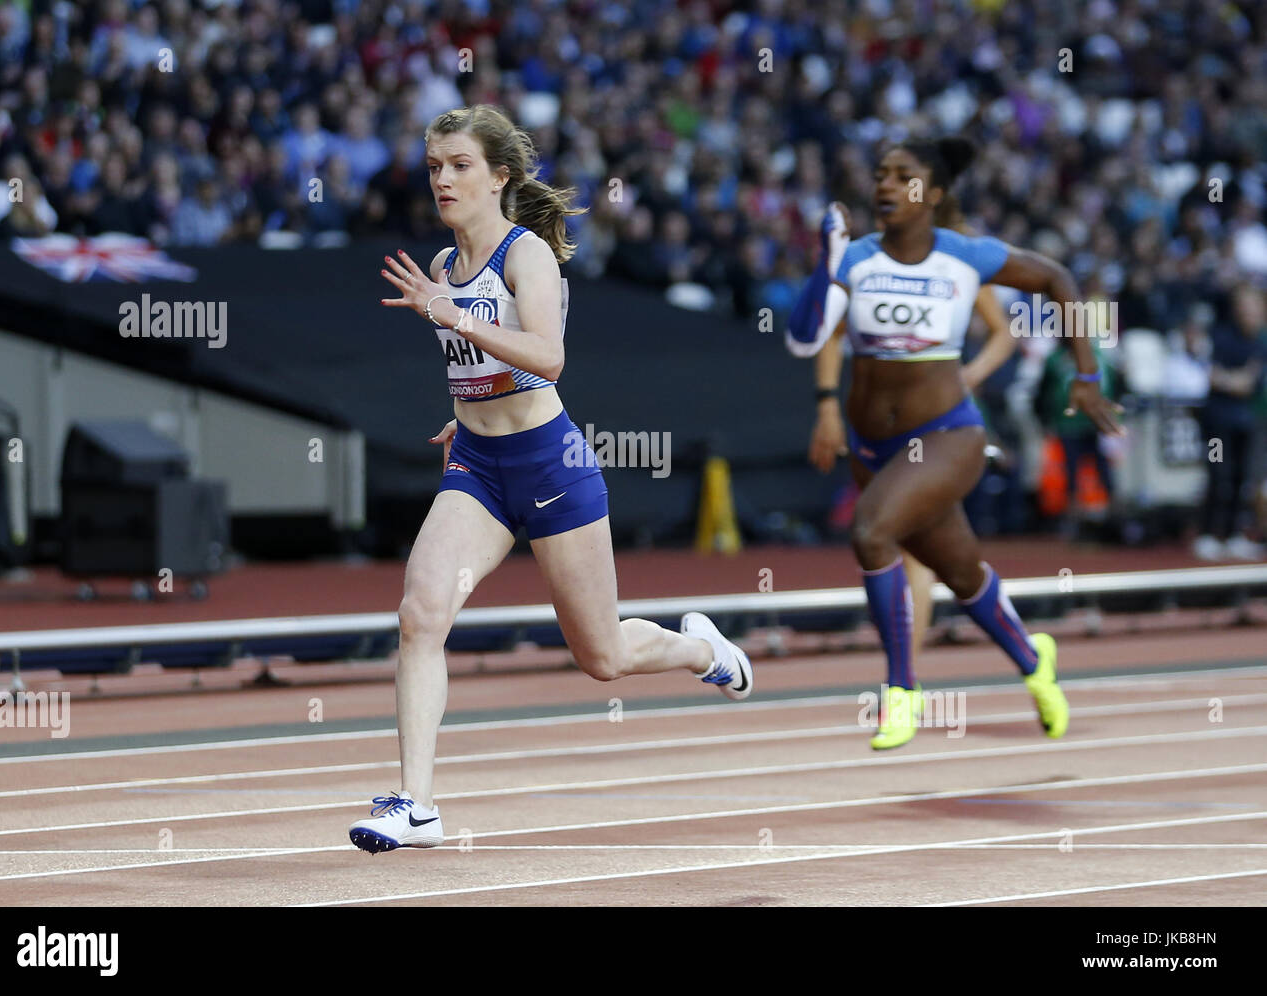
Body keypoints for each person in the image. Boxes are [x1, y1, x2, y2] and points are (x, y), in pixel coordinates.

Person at [348, 105, 752, 853]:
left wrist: (453, 318)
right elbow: (477, 366)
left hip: (549, 463)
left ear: (498, 176)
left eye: (460, 165)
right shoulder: (443, 267)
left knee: (602, 657)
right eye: (435, 166)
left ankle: (705, 651)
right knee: (419, 614)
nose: (444, 179)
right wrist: (462, 408)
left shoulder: (524, 254)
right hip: (476, 467)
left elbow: (548, 356)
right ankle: (416, 804)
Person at [786, 137, 1124, 749]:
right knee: (961, 573)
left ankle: (900, 690)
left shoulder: (966, 255)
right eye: (880, 174)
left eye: (903, 177)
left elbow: (1058, 278)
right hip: (870, 445)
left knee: (871, 531)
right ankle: (1033, 658)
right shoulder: (856, 256)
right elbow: (806, 337)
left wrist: (1088, 374)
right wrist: (824, 264)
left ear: (933, 194)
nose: (885, 185)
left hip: (948, 435)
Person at [1193, 285, 1267, 561]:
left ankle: (1234, 534)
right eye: (1245, 307)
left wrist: (1231, 380)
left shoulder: (1259, 344)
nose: (1250, 313)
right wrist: (1233, 381)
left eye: (1255, 307)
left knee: (1241, 478)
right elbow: (1213, 376)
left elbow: (1248, 384)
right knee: (1218, 476)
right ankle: (1209, 534)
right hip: (1217, 425)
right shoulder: (1221, 338)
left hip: (1244, 424)